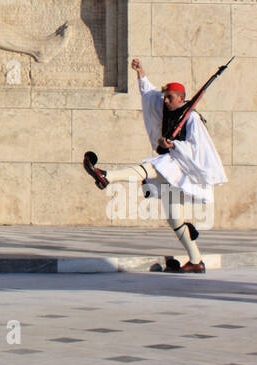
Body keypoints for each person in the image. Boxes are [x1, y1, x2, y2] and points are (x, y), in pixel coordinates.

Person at [83, 58, 227, 273]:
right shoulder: (165, 109)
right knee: (174, 218)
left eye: (170, 98)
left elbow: (199, 150)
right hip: (173, 172)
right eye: (165, 97)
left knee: (153, 166)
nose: (166, 101)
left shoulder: (192, 118)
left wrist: (174, 145)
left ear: (182, 99)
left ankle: (107, 176)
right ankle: (196, 261)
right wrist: (140, 72)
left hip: (185, 169)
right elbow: (149, 93)